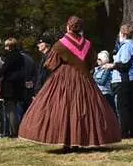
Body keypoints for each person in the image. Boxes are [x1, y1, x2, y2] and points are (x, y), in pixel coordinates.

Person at [17, 16, 121, 151]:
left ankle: (64, 140)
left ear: (68, 27)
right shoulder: (87, 44)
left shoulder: (60, 44)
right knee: (85, 108)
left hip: (63, 79)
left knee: (62, 108)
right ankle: (82, 139)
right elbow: (91, 63)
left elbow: (50, 64)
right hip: (83, 79)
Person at [112, 23, 133, 138]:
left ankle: (125, 133)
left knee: (123, 107)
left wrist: (112, 65)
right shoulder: (132, 45)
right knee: (132, 107)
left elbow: (124, 65)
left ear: (123, 34)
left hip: (126, 80)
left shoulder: (126, 46)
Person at [0, 37, 30, 137]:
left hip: (10, 86)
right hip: (18, 86)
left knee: (11, 110)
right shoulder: (21, 56)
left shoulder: (10, 56)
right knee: (16, 109)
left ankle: (14, 132)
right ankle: (16, 130)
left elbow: (3, 70)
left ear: (9, 46)